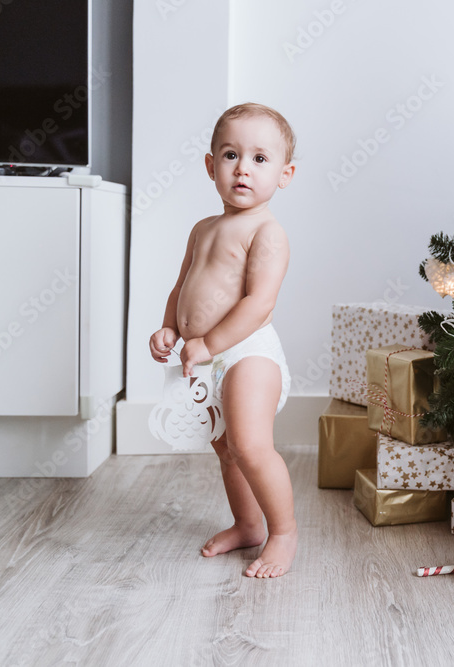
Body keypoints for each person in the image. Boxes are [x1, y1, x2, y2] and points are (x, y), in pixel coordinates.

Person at [149, 103, 297, 578]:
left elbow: (259, 304)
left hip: (248, 353)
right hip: (206, 356)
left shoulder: (266, 231)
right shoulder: (202, 229)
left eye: (260, 159)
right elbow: (182, 285)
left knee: (251, 446)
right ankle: (247, 524)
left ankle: (284, 532)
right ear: (211, 166)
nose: (243, 169)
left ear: (285, 173)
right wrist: (170, 326)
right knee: (226, 447)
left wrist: (210, 342)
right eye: (231, 155)